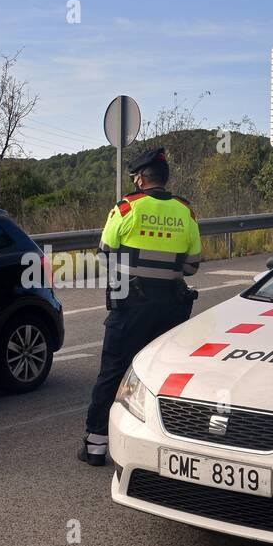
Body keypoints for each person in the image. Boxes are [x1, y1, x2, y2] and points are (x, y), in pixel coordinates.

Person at [79, 147, 201, 466]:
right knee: (163, 376)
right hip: (172, 308)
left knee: (114, 371)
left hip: (132, 304)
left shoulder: (125, 208)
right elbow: (191, 267)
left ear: (140, 178)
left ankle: (95, 446)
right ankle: (162, 452)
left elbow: (105, 253)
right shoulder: (185, 212)